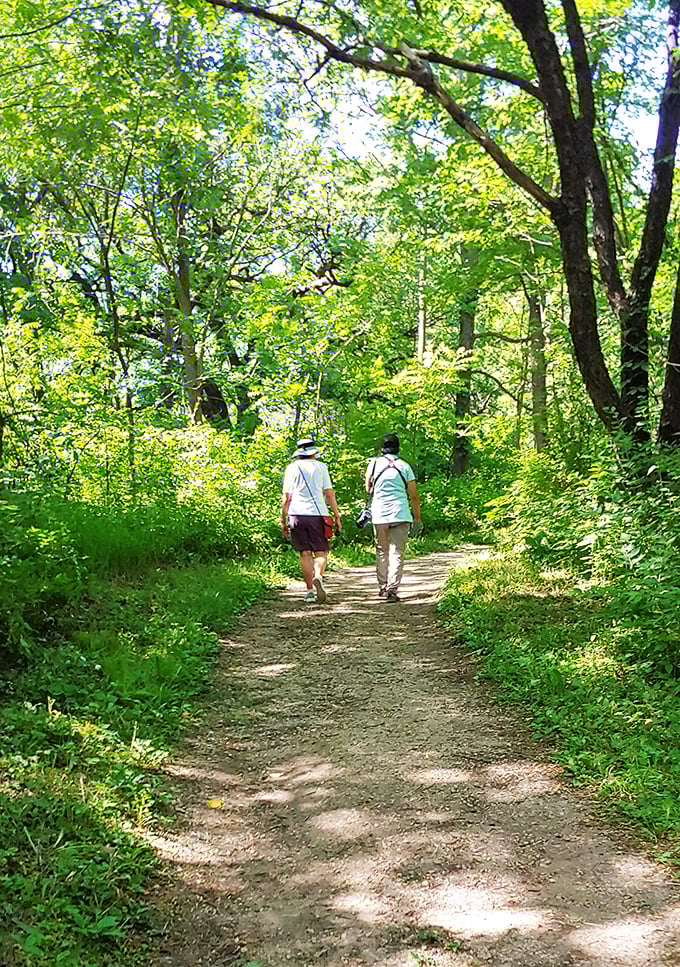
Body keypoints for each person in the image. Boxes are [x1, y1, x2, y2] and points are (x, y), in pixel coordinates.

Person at [281, 438, 342, 603]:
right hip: (318, 514)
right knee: (321, 552)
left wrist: (283, 519)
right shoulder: (321, 467)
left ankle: (309, 591)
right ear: (314, 452)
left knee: (305, 553)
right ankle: (318, 576)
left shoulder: (291, 468)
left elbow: (287, 497)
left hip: (297, 514)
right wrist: (336, 515)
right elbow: (329, 493)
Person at [365, 433, 422, 603]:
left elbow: (368, 489)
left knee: (382, 550)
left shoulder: (373, 464)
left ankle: (382, 586)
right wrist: (417, 517)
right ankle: (392, 589)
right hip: (401, 513)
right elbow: (413, 495)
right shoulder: (405, 466)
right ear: (398, 448)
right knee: (397, 552)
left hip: (380, 514)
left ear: (382, 448)